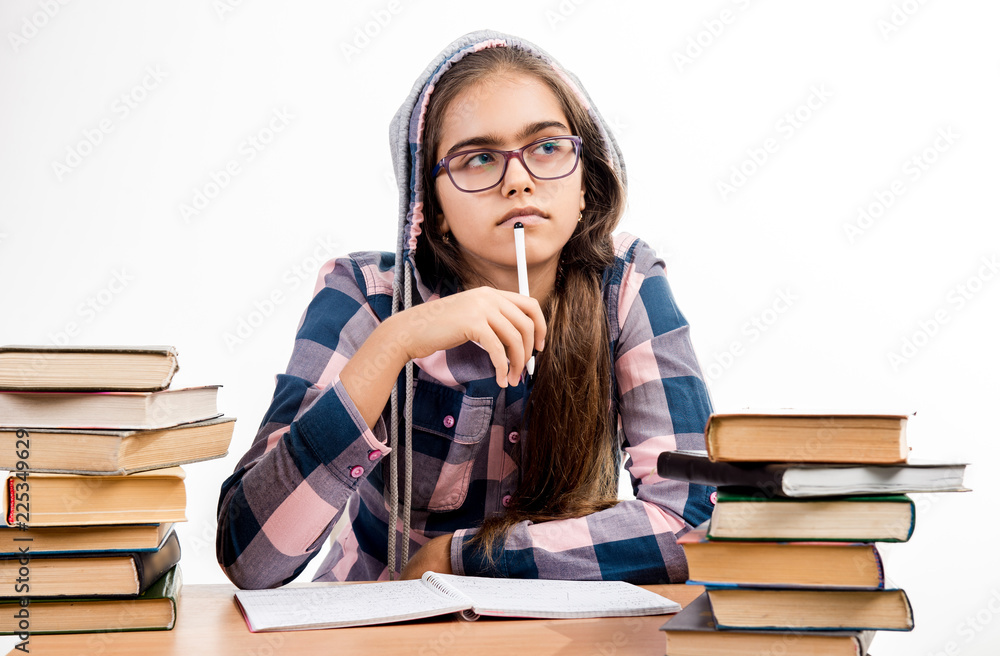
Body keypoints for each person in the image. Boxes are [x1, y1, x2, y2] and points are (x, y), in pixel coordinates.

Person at [216, 29, 715, 589]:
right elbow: (251, 562)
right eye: (478, 159)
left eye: (547, 147)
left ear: (583, 184)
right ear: (432, 210)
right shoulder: (362, 293)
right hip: (375, 637)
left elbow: (696, 522)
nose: (519, 180)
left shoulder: (627, 285)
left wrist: (468, 558)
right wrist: (394, 343)